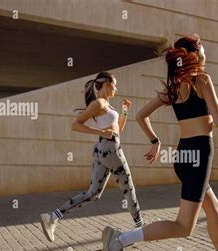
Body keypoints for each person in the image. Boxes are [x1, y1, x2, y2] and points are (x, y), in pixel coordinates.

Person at [101, 34, 218, 251]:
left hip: (183, 155)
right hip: (199, 154)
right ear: (197, 53)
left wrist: (156, 142)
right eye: (204, 51)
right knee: (183, 227)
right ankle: (120, 240)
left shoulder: (174, 87)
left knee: (215, 209)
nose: (206, 55)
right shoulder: (202, 79)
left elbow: (140, 116)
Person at [40, 72, 143, 242]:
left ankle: (53, 216)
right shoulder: (99, 103)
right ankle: (141, 228)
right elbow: (76, 124)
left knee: (93, 193)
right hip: (111, 149)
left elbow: (119, 129)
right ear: (106, 85)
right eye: (114, 85)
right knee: (129, 188)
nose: (116, 88)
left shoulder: (107, 105)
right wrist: (101, 132)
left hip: (104, 149)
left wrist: (125, 111)